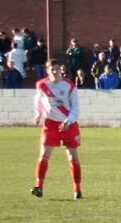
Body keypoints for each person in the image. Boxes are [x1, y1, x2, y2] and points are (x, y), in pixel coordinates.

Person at [31, 63, 83, 199]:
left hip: (69, 125)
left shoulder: (69, 85)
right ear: (47, 70)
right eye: (52, 69)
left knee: (73, 157)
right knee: (44, 155)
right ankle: (39, 187)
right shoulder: (42, 85)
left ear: (61, 70)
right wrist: (38, 114)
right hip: (51, 124)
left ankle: (77, 189)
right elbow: (38, 101)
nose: (55, 71)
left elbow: (76, 107)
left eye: (57, 69)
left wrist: (68, 120)